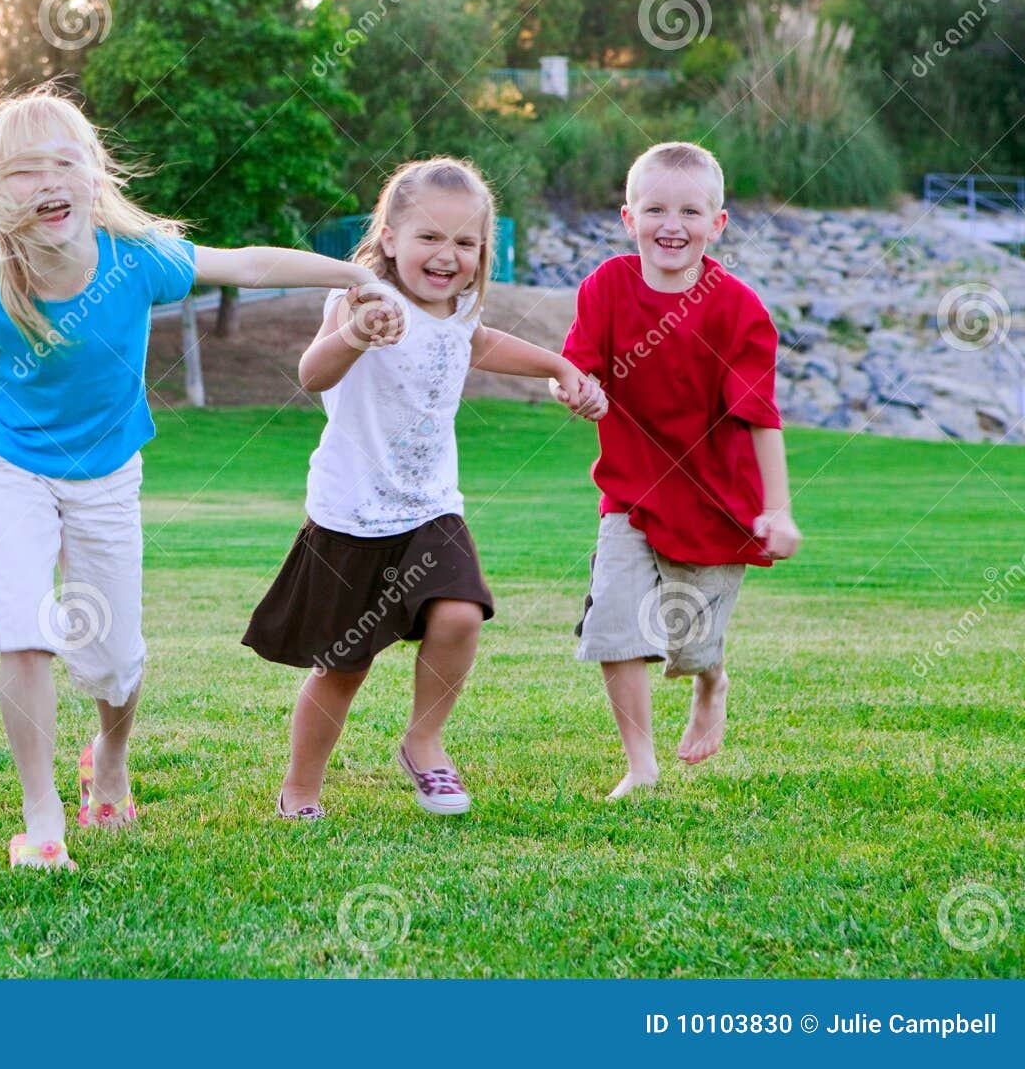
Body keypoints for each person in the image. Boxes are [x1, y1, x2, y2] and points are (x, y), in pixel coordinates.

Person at [0, 86, 406, 869]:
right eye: (26, 172)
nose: (49, 181)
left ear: (94, 175)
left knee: (116, 657)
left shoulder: (139, 262)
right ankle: (42, 814)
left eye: (65, 162)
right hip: (14, 464)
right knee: (24, 625)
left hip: (106, 474)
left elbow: (247, 261)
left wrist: (350, 275)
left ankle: (110, 752)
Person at [243, 157, 607, 820]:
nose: (448, 256)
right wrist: (354, 336)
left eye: (465, 243)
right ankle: (300, 788)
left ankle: (424, 739)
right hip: (351, 513)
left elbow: (478, 342)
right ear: (388, 237)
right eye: (430, 238)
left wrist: (557, 364)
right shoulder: (360, 299)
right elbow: (313, 372)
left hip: (432, 508)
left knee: (462, 613)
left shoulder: (459, 306)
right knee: (343, 667)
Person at [559, 141, 802, 800]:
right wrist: (576, 387)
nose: (672, 224)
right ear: (627, 216)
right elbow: (580, 366)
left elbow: (760, 416)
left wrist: (776, 507)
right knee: (615, 625)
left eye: (691, 211)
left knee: (689, 640)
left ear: (717, 224)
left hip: (714, 500)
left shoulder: (737, 307)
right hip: (630, 495)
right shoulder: (606, 286)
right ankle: (641, 765)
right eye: (656, 208)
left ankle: (711, 680)